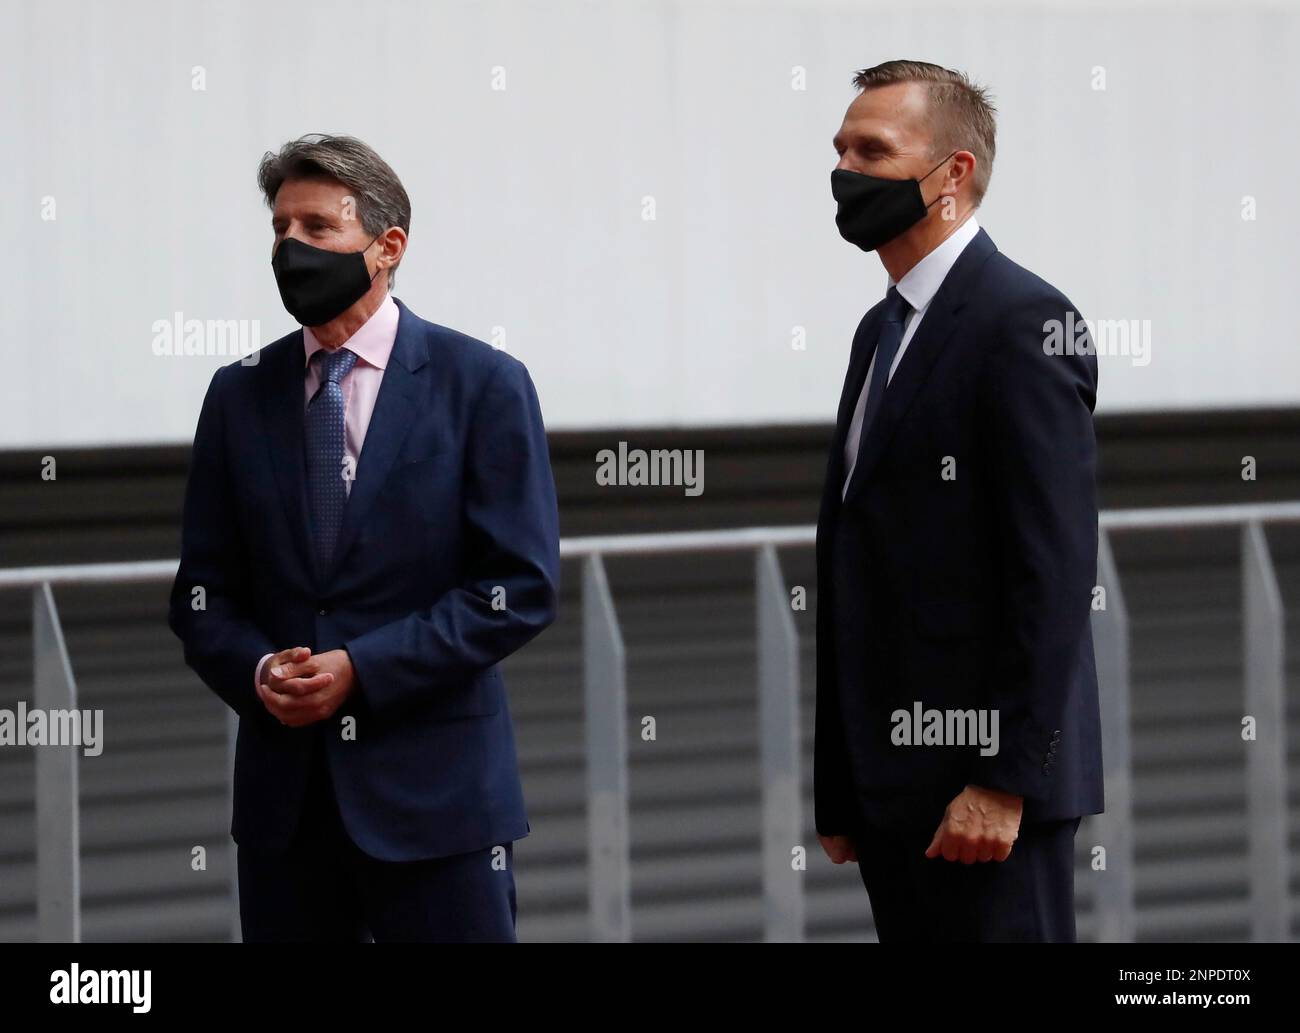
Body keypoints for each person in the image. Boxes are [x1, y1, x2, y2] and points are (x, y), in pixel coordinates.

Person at [168, 134, 560, 942]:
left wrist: (362, 670)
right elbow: (203, 594)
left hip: (440, 811)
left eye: (317, 227)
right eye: (280, 230)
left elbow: (518, 587)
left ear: (387, 248)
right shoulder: (237, 394)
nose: (290, 248)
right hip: (286, 815)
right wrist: (259, 667)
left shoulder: (481, 384)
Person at [814, 62, 1104, 942]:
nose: (845, 171)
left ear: (952, 174)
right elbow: (855, 555)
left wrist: (1004, 779)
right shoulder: (882, 329)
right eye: (840, 149)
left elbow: (1050, 571)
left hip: (981, 804)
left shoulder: (1023, 320)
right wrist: (841, 782)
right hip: (893, 795)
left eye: (874, 151)